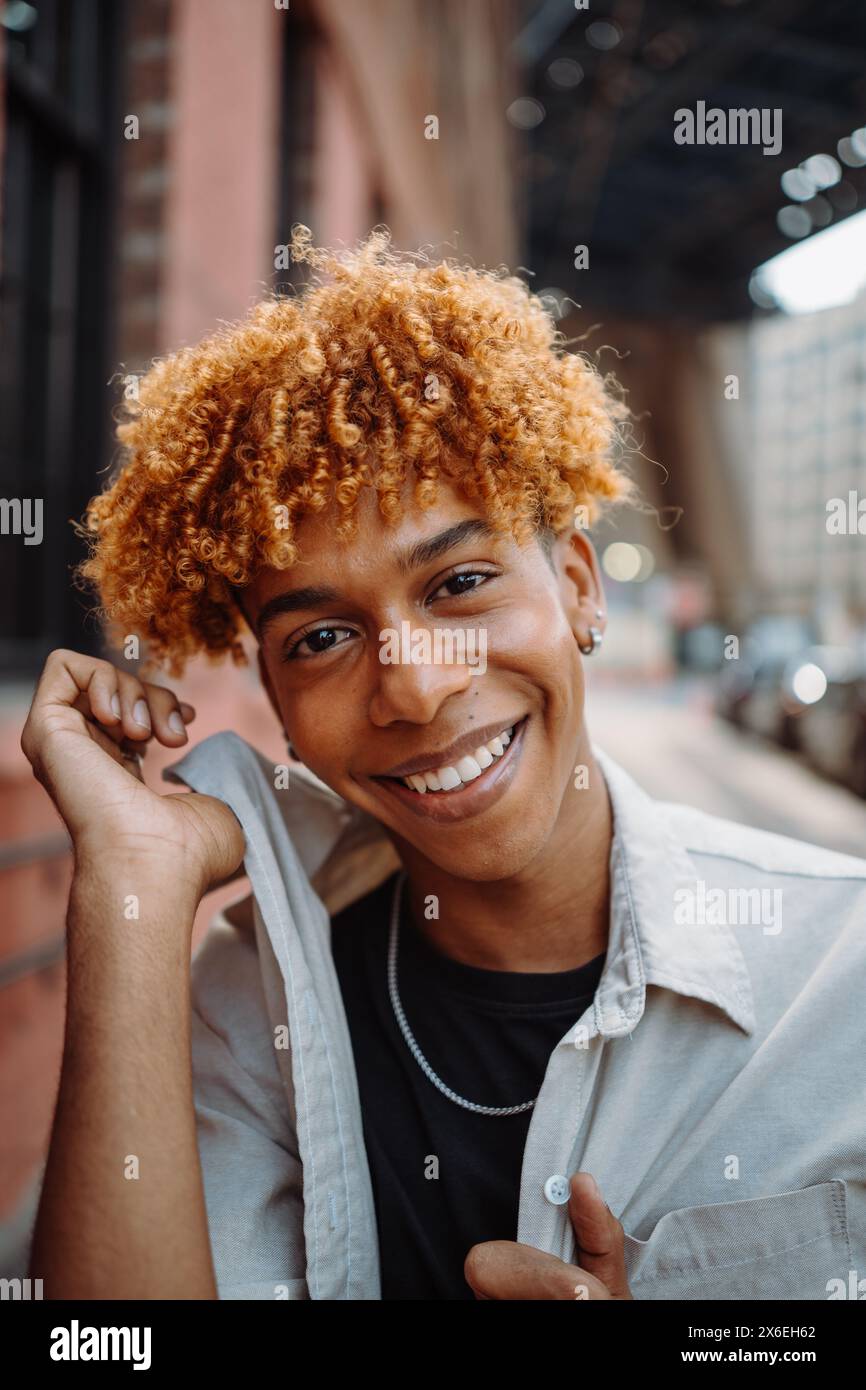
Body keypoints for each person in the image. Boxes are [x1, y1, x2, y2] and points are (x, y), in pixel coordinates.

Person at [20, 228, 866, 1301]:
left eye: (459, 582)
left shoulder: (842, 978)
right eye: (321, 638)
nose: (414, 688)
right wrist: (129, 887)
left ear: (577, 588)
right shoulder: (248, 1009)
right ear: (275, 696)